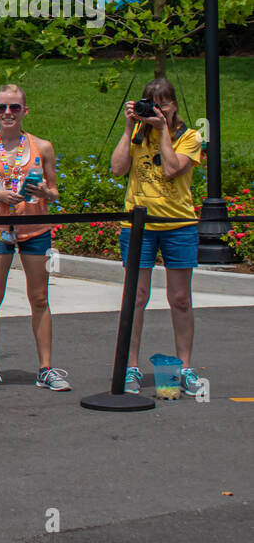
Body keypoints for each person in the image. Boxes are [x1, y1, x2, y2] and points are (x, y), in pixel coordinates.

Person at [0, 85, 66, 392]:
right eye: (1, 108)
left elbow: (55, 191)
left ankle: (46, 368)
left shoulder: (42, 147)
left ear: (24, 111)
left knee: (40, 298)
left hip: (35, 229)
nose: (7, 113)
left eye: (14, 108)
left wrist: (44, 193)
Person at [109, 77, 204, 395]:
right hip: (139, 227)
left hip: (178, 224)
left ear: (174, 105)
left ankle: (185, 367)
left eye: (163, 104)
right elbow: (117, 169)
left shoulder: (190, 137)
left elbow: (172, 169)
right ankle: (130, 366)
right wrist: (128, 128)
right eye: (152, 104)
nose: (157, 110)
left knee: (180, 299)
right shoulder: (136, 135)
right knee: (136, 298)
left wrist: (163, 130)